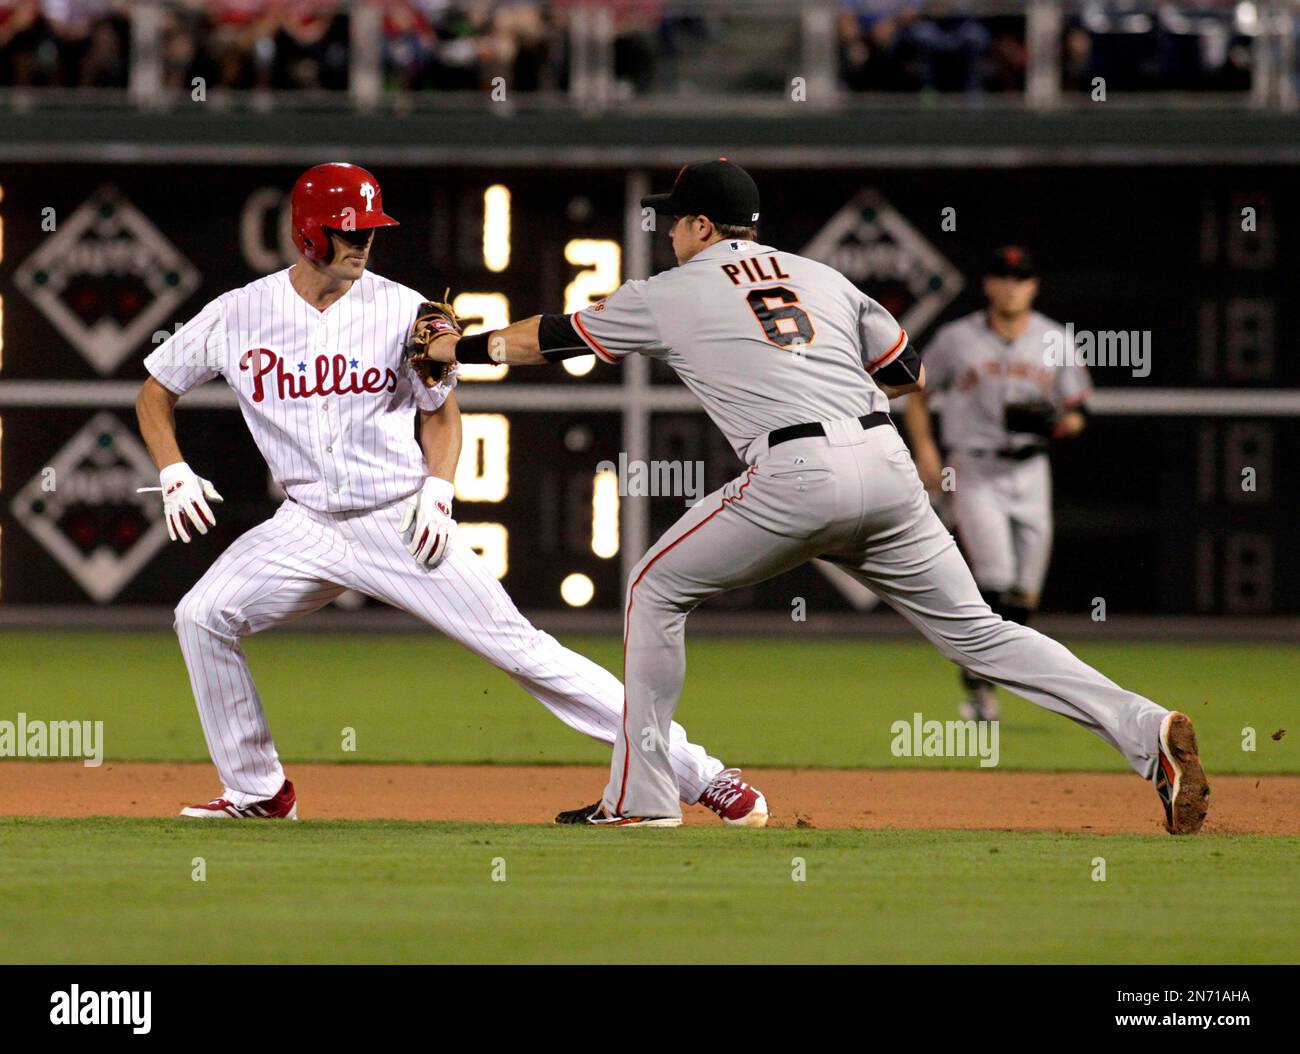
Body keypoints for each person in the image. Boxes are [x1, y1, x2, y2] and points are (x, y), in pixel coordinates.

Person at [412, 158, 1209, 835]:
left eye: (673, 220)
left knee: (655, 587)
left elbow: (549, 338)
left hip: (794, 471)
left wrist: (459, 347)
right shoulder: (823, 276)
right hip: (885, 463)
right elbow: (909, 375)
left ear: (697, 226)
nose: (668, 231)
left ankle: (644, 798)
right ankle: (1146, 730)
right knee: (981, 634)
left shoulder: (671, 289)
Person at [134, 161, 767, 827]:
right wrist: (172, 468)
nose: (364, 242)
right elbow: (156, 390)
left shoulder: (404, 310)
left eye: (371, 229)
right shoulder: (240, 312)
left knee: (524, 654)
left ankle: (707, 777)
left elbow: (441, 412)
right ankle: (258, 789)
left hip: (398, 519)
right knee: (202, 614)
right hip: (305, 523)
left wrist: (438, 490)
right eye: (349, 230)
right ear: (307, 232)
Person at [904, 247, 1090, 722]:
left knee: (1026, 592)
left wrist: (1059, 424)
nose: (1011, 285)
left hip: (1032, 470)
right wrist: (926, 450)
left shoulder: (1055, 339)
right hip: (975, 467)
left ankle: (990, 678)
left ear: (1033, 285)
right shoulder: (956, 338)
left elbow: (1078, 413)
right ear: (988, 284)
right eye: (1003, 277)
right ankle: (982, 694)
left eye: (1021, 278)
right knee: (996, 581)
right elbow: (917, 396)